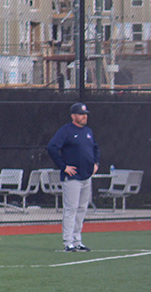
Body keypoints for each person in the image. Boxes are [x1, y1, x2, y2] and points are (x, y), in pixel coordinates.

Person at [47, 102, 99, 252]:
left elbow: (95, 148)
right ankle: (68, 242)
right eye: (81, 114)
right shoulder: (66, 130)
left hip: (86, 177)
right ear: (73, 116)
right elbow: (52, 147)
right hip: (72, 178)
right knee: (71, 209)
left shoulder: (88, 131)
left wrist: (96, 163)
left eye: (85, 114)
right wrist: (64, 167)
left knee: (82, 209)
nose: (84, 117)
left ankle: (77, 241)